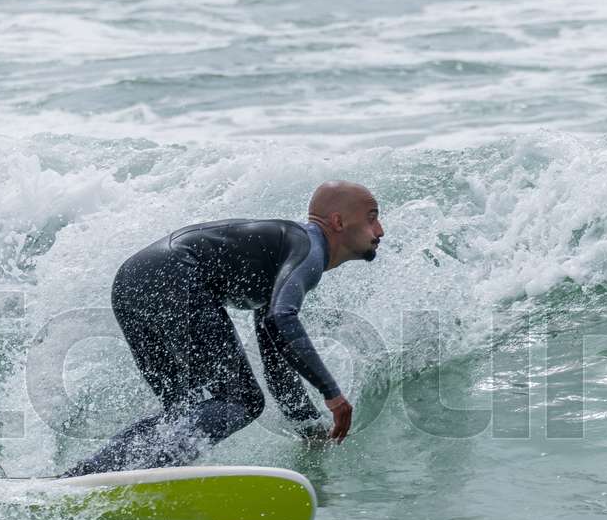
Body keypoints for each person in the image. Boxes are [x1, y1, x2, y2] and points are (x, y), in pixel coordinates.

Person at [59, 180, 383, 478]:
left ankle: (89, 475)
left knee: (184, 411)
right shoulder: (309, 249)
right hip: (173, 274)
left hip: (132, 280)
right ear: (338, 221)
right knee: (241, 400)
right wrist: (332, 395)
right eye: (372, 217)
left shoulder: (282, 255)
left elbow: (277, 362)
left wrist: (309, 430)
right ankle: (128, 477)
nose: (380, 230)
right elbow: (283, 317)